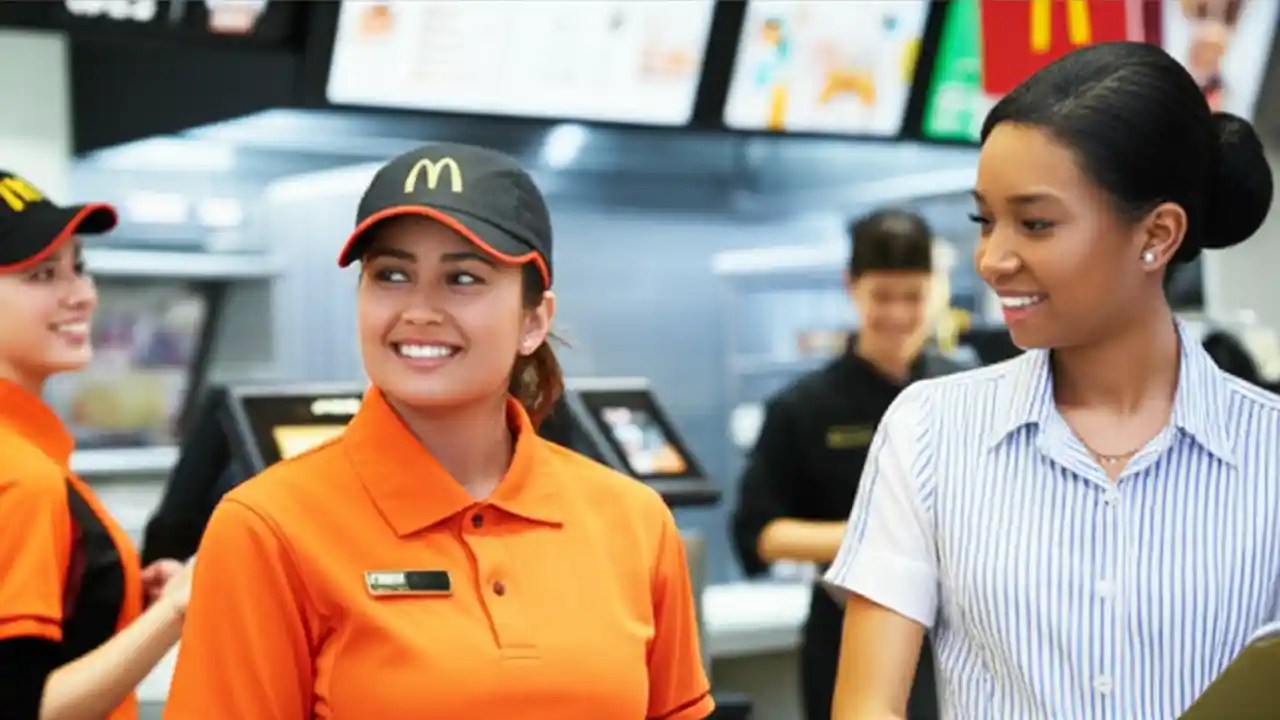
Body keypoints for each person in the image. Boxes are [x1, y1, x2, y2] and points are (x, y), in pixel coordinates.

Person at [163, 143, 714, 719]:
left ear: (534, 321)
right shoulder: (267, 530)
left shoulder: (633, 521)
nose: (420, 309)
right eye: (392, 275)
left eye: (463, 278)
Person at [824, 40, 1278, 719]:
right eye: (986, 221)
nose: (991, 259)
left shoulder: (1268, 452)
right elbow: (868, 708)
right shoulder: (930, 432)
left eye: (1035, 224)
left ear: (1157, 234)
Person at [731, 209, 965, 720]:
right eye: (883, 297)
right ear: (851, 287)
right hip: (844, 636)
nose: (898, 315)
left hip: (958, 637)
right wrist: (883, 539)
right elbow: (759, 535)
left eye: (913, 297)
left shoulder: (965, 392)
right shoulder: (803, 407)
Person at [0, 171, 191, 720]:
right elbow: (26, 707)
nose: (81, 295)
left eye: (78, 267)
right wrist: (176, 610)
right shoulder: (21, 478)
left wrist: (119, 591)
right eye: (42, 275)